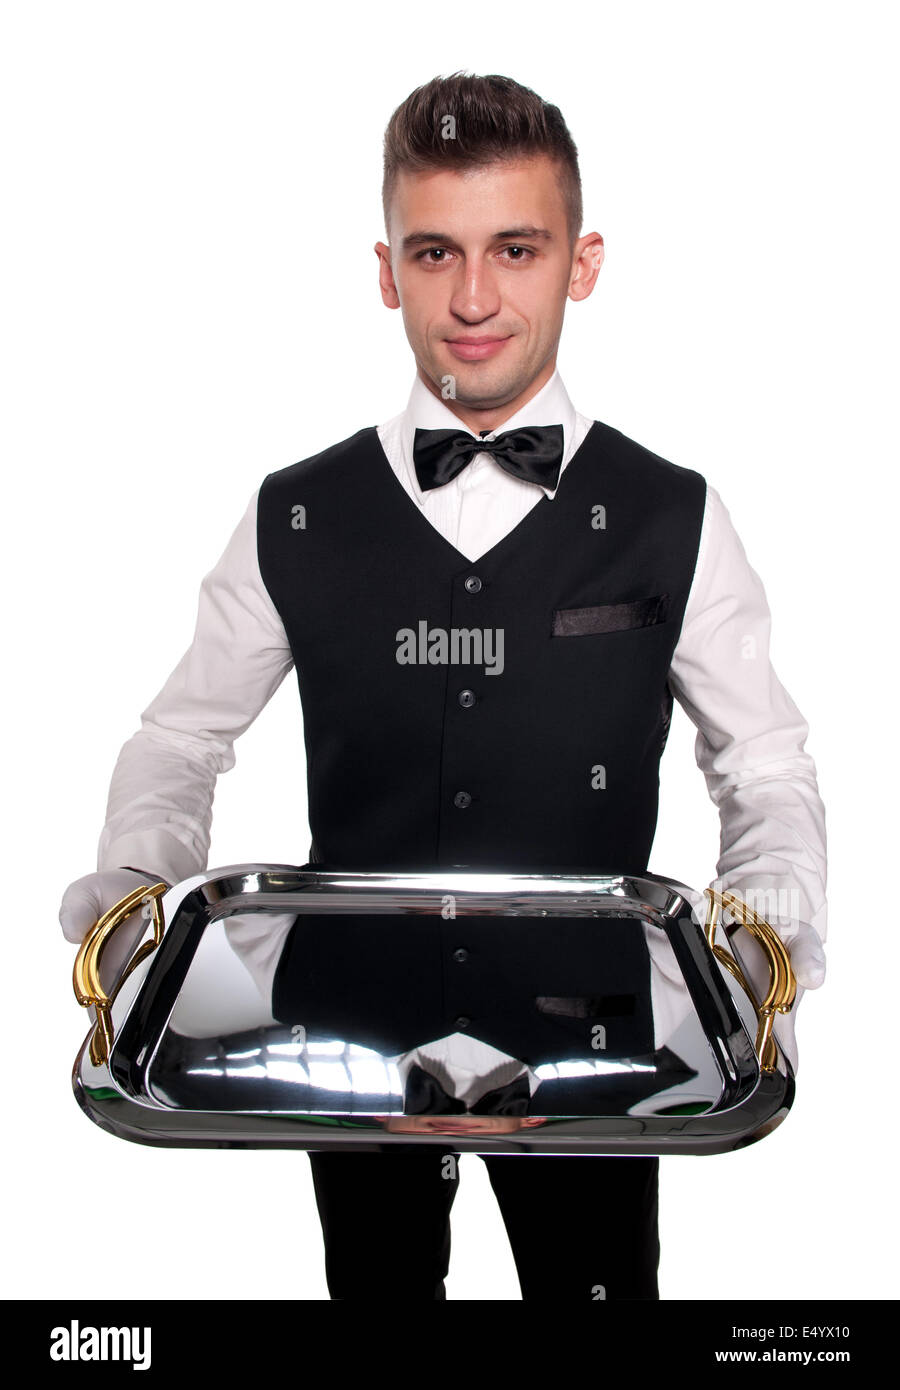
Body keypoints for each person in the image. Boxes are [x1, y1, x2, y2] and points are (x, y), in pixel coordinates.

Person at [60, 70, 827, 1301]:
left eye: (514, 249)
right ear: (387, 270)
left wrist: (773, 919)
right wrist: (141, 882)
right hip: (343, 1039)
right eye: (436, 253)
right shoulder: (294, 513)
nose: (473, 299)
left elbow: (765, 762)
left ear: (580, 263)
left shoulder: (676, 515)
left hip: (594, 1048)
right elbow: (180, 736)